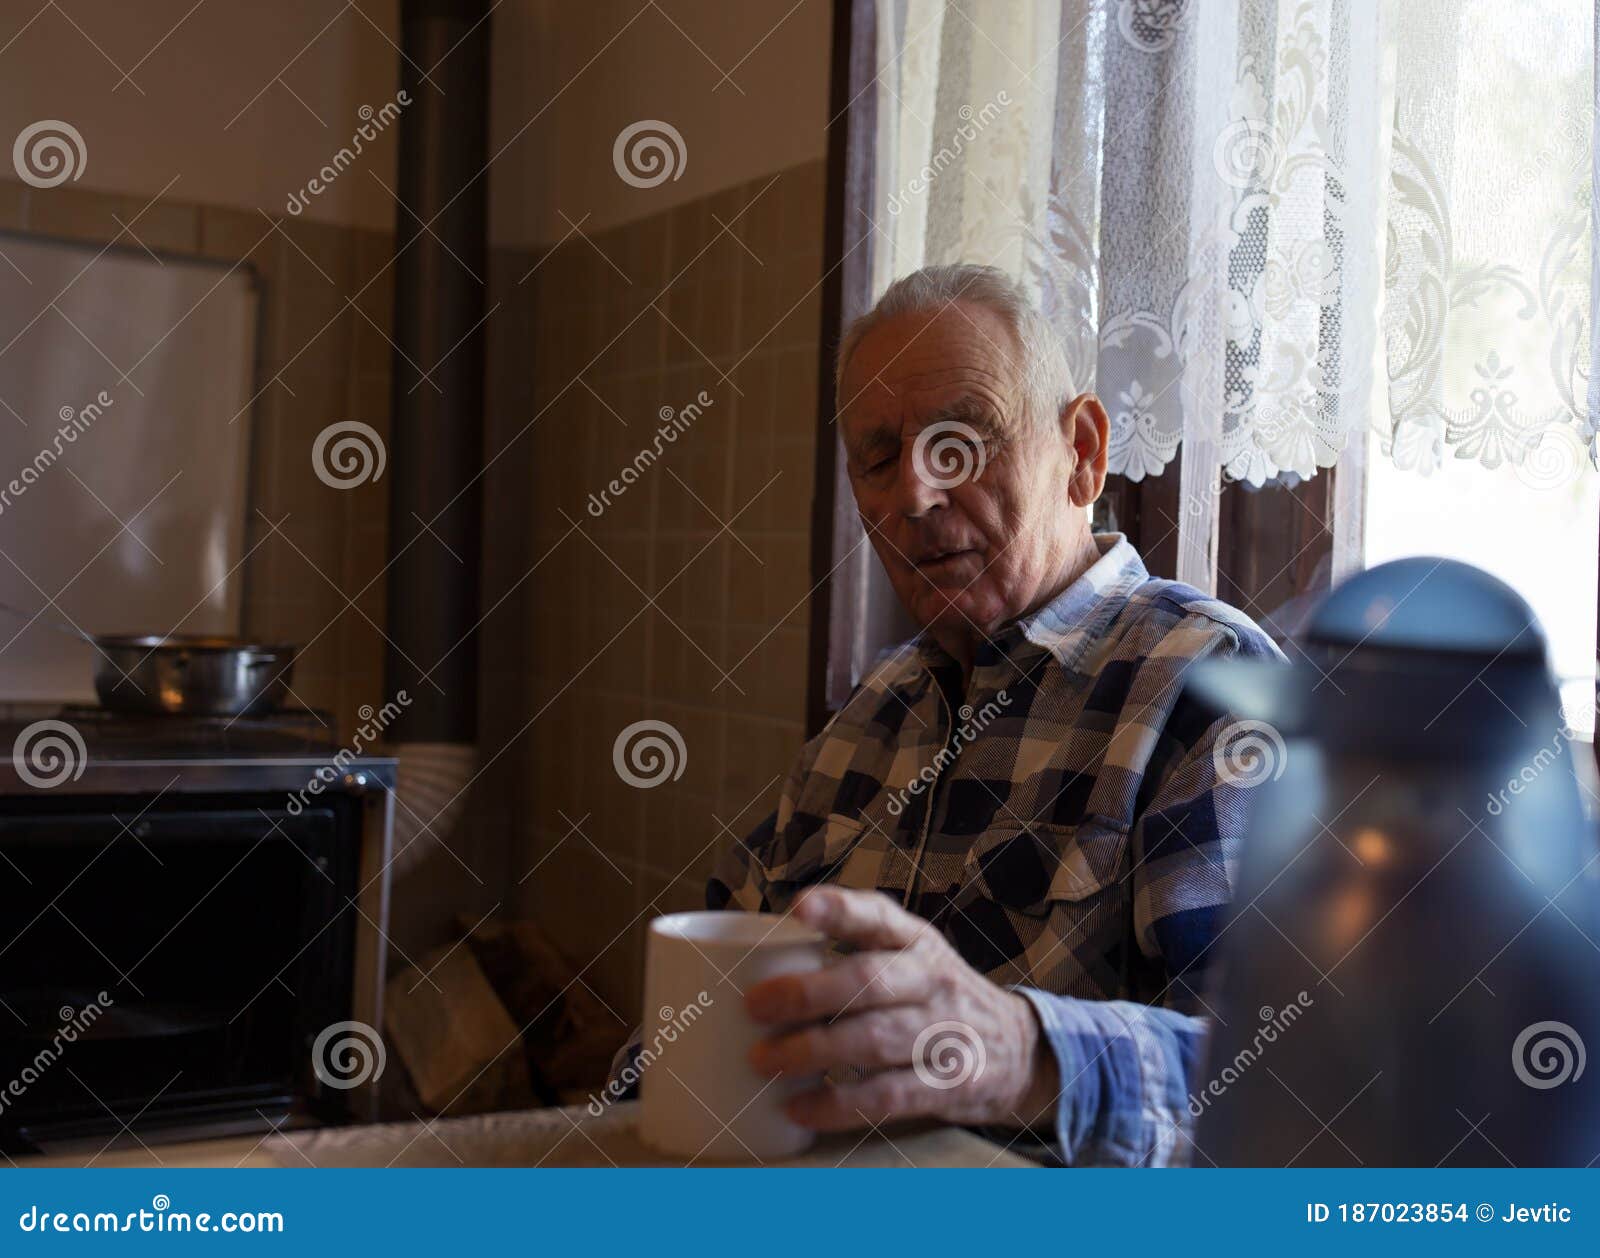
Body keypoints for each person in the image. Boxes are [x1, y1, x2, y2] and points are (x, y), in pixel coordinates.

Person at [623, 263, 1284, 1166]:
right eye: (879, 457)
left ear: (1083, 451)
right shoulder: (868, 719)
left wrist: (1020, 1051)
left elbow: (1291, 1089)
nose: (913, 498)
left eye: (961, 442)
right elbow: (706, 1002)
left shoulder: (1210, 689)